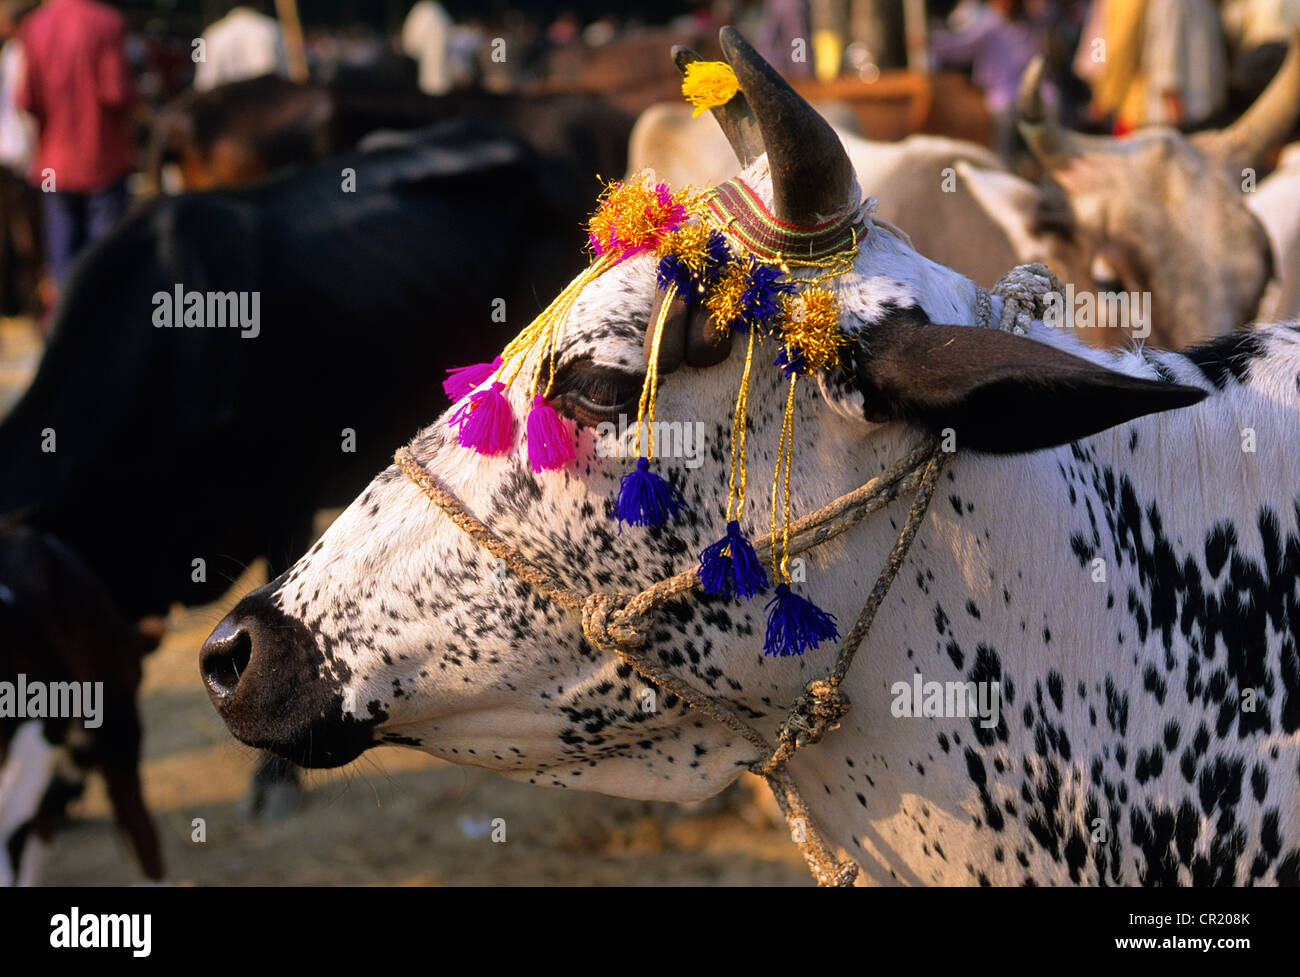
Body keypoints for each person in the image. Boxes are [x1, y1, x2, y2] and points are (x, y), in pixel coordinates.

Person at [16, 0, 134, 307]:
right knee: (104, 254)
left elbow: (26, 99)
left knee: (62, 251)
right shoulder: (107, 21)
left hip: (55, 163)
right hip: (101, 158)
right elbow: (116, 92)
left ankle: (63, 325)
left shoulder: (35, 24)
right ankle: (101, 326)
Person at [931, 0, 1050, 163]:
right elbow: (961, 45)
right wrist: (930, 42)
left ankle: (1044, 162)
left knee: (1051, 103)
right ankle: (1003, 161)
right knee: (1004, 114)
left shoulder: (1031, 25)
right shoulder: (989, 25)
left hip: (1030, 89)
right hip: (1001, 90)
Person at [1142, 0, 1228, 128]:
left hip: (1203, 115)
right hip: (1182, 117)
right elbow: (1166, 63)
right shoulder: (1172, 3)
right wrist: (1177, 120)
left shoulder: (1205, 4)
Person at [193, 3, 288, 91]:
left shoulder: (211, 34)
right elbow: (289, 79)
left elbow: (203, 85)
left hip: (224, 105)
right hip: (267, 105)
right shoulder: (274, 30)